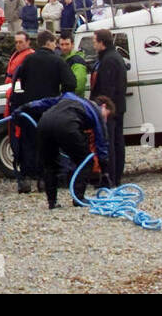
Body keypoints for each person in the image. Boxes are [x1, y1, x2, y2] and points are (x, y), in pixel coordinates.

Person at [18, 93, 115, 209]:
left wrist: (26, 106)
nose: (105, 119)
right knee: (85, 161)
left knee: (50, 164)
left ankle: (52, 202)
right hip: (67, 125)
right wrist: (104, 171)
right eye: (106, 116)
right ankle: (78, 198)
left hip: (44, 123)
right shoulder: (96, 111)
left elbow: (46, 102)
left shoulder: (69, 96)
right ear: (103, 106)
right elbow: (102, 142)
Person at [9, 30, 77, 193]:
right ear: (49, 43)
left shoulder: (28, 60)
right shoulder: (57, 61)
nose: (56, 45)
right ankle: (43, 180)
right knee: (47, 144)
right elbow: (71, 83)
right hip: (49, 109)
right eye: (55, 43)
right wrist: (61, 98)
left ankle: (25, 179)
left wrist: (24, 99)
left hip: (29, 108)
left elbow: (19, 82)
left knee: (28, 143)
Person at [90, 29, 128, 186]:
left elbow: (107, 88)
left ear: (101, 42)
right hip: (117, 106)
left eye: (94, 41)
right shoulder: (113, 57)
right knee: (116, 142)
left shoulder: (109, 60)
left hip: (110, 109)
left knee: (110, 143)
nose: (93, 44)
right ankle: (115, 176)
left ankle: (111, 178)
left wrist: (103, 107)